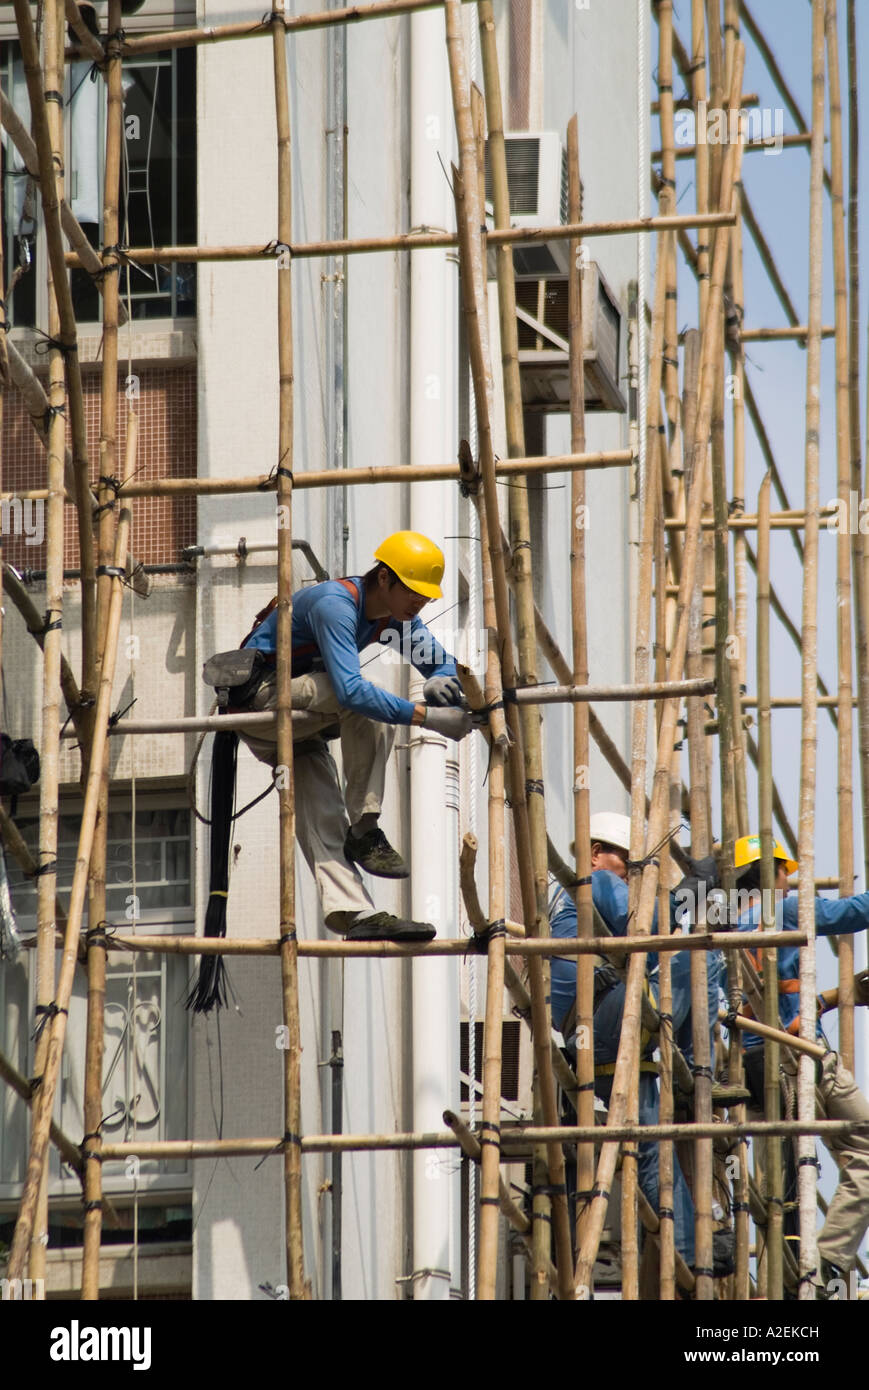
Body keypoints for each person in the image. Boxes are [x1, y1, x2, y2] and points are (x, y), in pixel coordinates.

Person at [234, 531, 473, 942]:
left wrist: (442, 679)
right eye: (413, 593)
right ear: (384, 578)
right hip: (263, 702)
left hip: (296, 723)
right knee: (367, 698)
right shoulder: (336, 605)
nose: (419, 604)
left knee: (322, 814)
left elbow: (439, 661)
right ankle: (365, 829)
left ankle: (353, 913)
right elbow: (349, 691)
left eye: (425, 597)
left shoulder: (391, 620)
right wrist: (427, 716)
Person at [549, 811, 723, 1275]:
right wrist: (692, 890)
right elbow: (645, 925)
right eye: (624, 857)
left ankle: (688, 1252)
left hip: (599, 1028)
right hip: (602, 1017)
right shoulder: (592, 881)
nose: (629, 868)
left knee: (652, 1145)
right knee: (697, 961)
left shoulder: (576, 893)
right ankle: (691, 1066)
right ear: (594, 853)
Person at [731, 833, 869, 1292]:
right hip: (800, 1056)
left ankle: (791, 1263)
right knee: (865, 1151)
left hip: (750, 1062)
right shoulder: (780, 911)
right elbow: (853, 913)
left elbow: (770, 999)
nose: (791, 881)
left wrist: (829, 998)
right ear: (770, 874)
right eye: (785, 872)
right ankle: (826, 1257)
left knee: (784, 1177)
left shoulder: (727, 928)